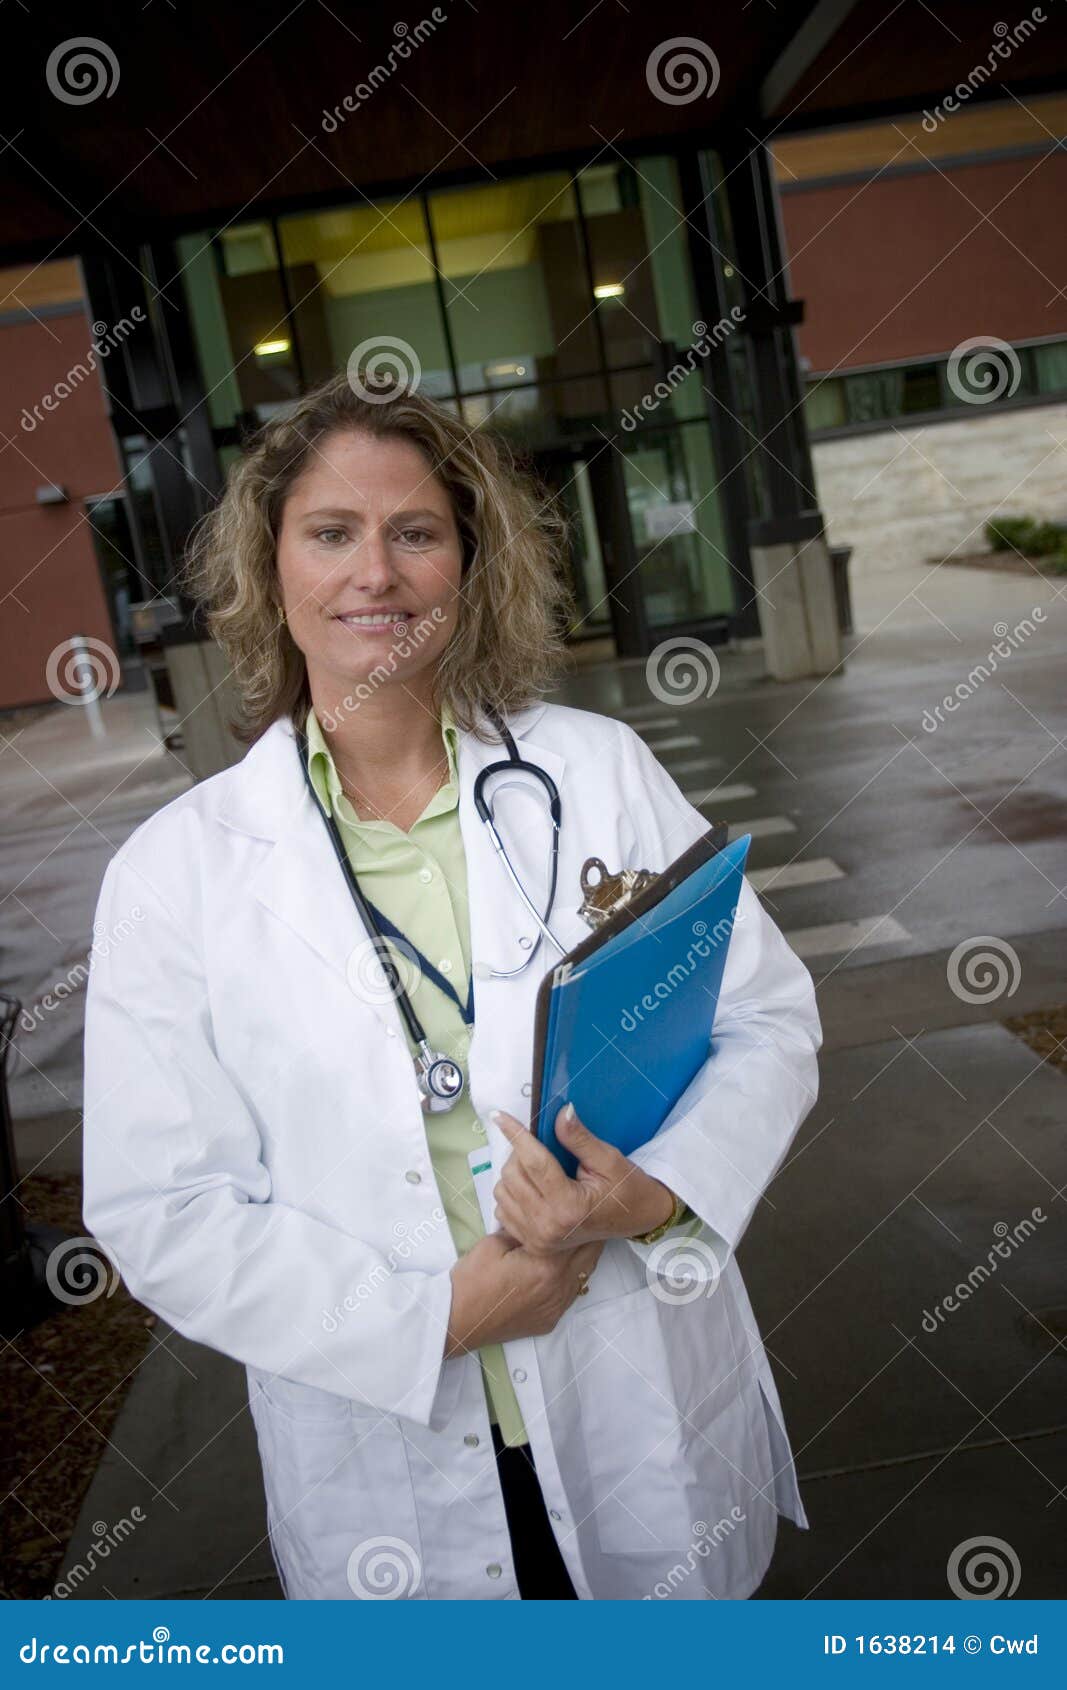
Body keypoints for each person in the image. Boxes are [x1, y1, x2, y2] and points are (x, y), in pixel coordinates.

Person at [83, 371, 822, 1601]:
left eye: (415, 532)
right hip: (386, 1459)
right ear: (272, 574)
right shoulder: (177, 875)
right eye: (330, 534)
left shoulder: (596, 771)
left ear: (466, 570)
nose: (373, 573)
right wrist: (434, 1318)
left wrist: (654, 1197)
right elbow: (163, 1203)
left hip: (631, 1386)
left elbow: (765, 1016)